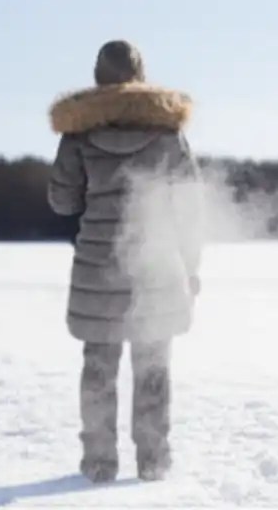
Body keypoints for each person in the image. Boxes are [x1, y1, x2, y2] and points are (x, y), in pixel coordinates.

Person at [46, 40, 205, 483]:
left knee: (98, 365)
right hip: (157, 263)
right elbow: (189, 206)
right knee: (153, 362)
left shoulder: (78, 135)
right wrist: (191, 267)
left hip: (98, 264)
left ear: (98, 76)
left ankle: (98, 462)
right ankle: (153, 460)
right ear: (140, 75)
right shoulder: (168, 132)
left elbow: (61, 201)